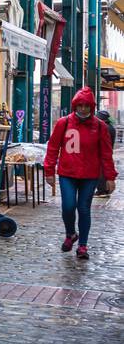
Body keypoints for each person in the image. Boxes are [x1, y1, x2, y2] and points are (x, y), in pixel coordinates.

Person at [45, 87, 117, 259]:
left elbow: (106, 154)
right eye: (80, 105)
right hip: (67, 173)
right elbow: (53, 147)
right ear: (75, 106)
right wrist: (49, 170)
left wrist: (110, 177)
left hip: (89, 175)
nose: (83, 109)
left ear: (91, 107)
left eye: (86, 106)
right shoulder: (64, 123)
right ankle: (71, 234)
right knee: (68, 206)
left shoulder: (100, 127)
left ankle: (83, 246)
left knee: (84, 209)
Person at [95, 110, 117, 196]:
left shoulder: (104, 128)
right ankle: (104, 190)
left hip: (102, 153)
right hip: (106, 152)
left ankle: (102, 190)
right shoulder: (110, 127)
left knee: (101, 172)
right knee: (103, 171)